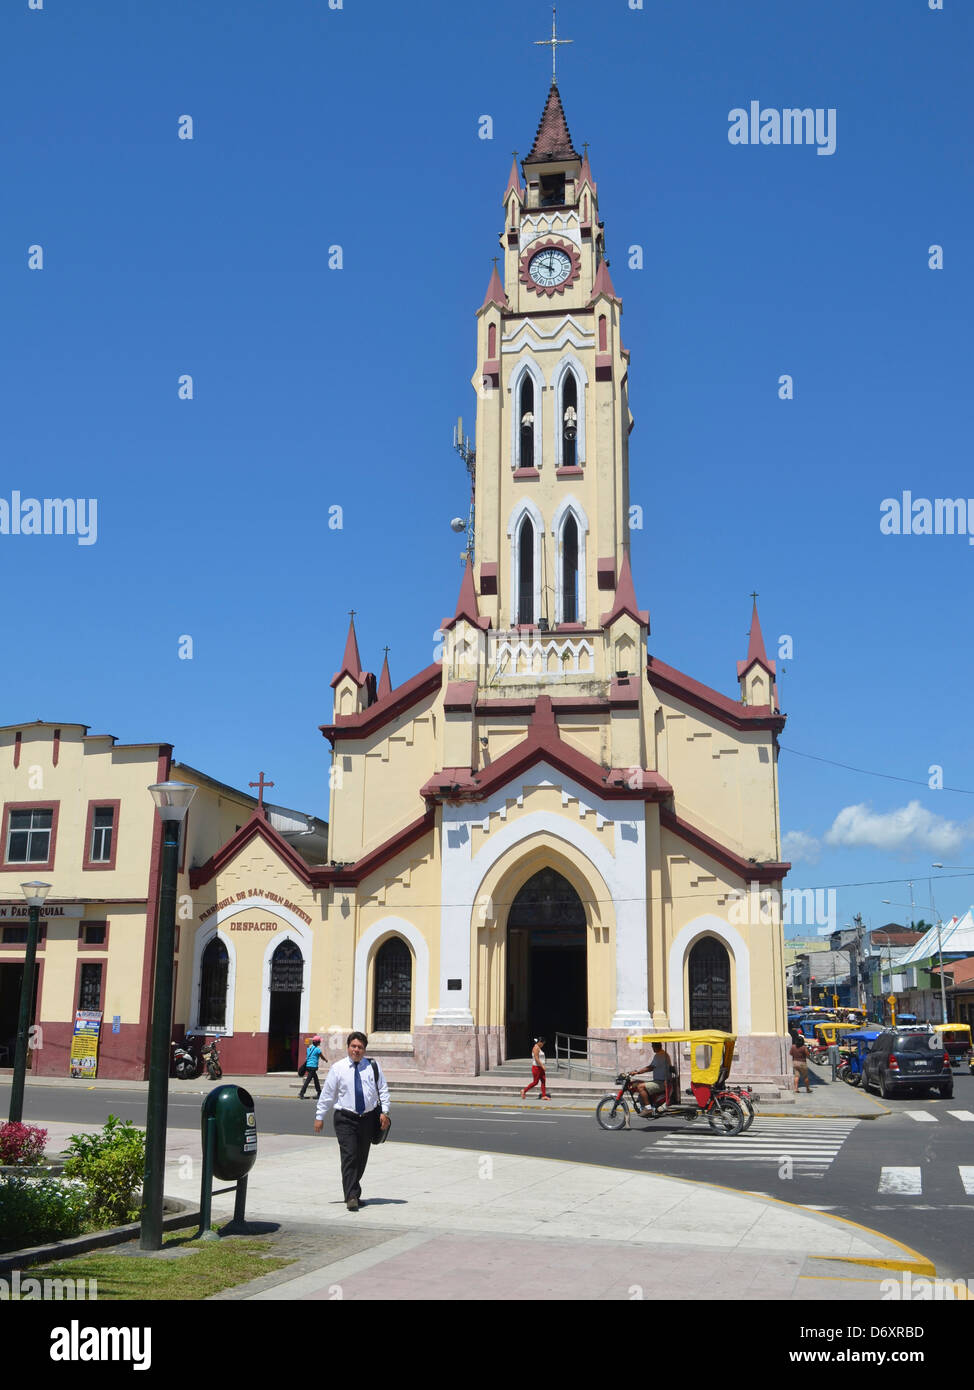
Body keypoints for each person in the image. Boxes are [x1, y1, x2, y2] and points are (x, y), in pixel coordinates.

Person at [314, 1032, 390, 1211]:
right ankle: (351, 1196)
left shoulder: (372, 1067)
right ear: (348, 1047)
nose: (356, 1050)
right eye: (353, 1046)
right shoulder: (338, 1068)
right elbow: (327, 1094)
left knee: (361, 1158)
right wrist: (319, 1116)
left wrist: (385, 1111)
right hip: (345, 1118)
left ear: (364, 1050)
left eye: (360, 1047)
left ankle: (354, 1190)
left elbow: (383, 1089)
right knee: (350, 1156)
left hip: (368, 1119)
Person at [631, 1042, 671, 1111]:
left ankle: (648, 1108)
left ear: (656, 1046)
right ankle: (643, 1103)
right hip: (660, 1081)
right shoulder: (662, 1054)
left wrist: (637, 1072)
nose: (652, 1048)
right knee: (638, 1083)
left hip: (661, 1082)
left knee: (640, 1086)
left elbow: (650, 1067)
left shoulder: (660, 1055)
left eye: (652, 1046)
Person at [298, 1034, 323, 1098]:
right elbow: (321, 1056)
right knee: (308, 1080)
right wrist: (325, 1060)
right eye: (319, 1041)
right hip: (313, 1067)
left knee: (316, 1080)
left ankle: (319, 1093)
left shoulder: (309, 1048)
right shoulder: (317, 1049)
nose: (320, 1042)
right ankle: (301, 1093)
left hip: (308, 1066)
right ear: (318, 1042)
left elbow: (307, 1055)